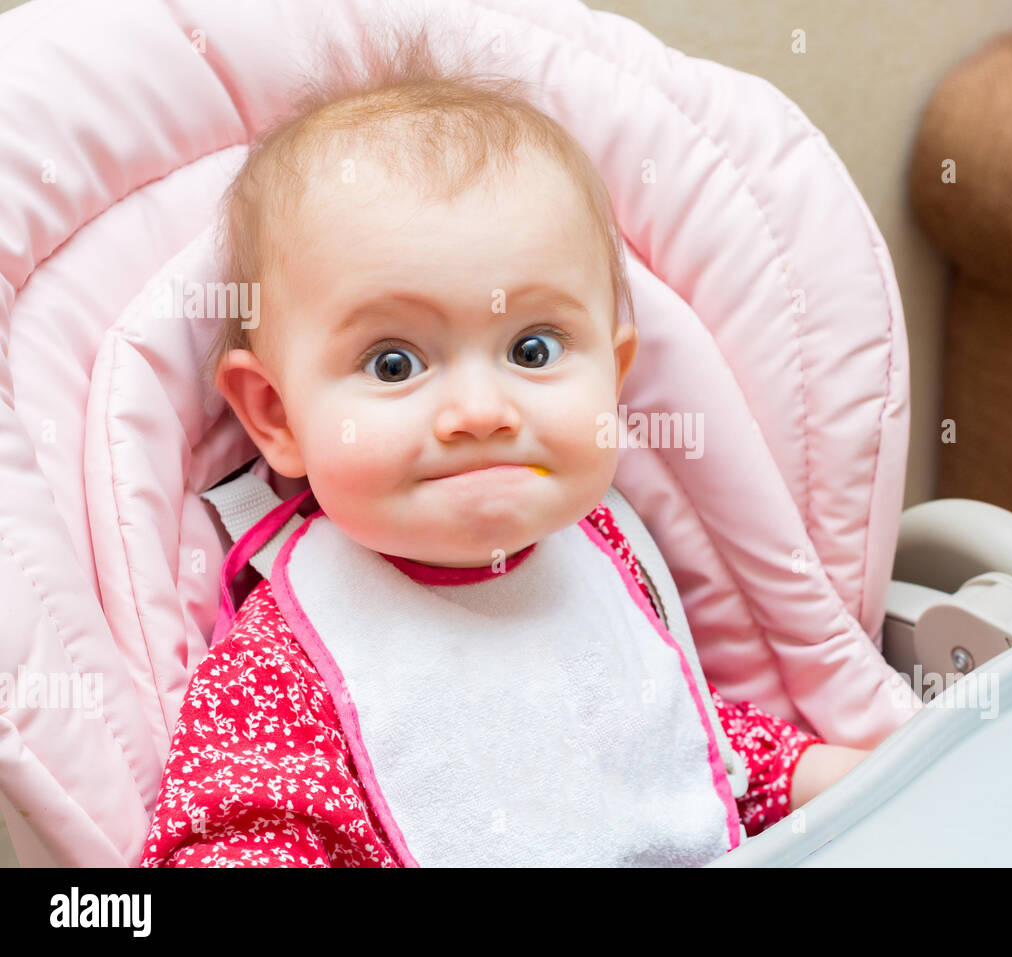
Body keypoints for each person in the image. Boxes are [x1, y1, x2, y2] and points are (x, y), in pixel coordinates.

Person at [139, 28, 869, 867]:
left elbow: (684, 748)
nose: (480, 411)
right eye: (394, 362)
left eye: (533, 350)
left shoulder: (606, 556)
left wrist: (838, 774)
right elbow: (230, 843)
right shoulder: (288, 663)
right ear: (277, 417)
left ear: (615, 375)